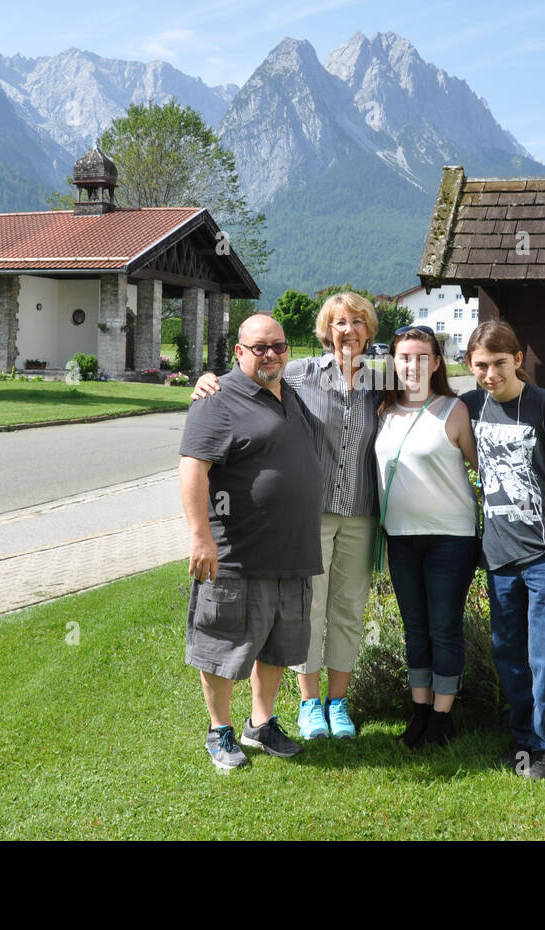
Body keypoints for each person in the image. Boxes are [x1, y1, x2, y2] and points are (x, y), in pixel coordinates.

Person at [192, 292, 381, 740]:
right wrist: (205, 380)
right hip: (309, 517)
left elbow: (430, 386)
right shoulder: (300, 373)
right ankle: (309, 703)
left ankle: (339, 703)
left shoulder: (383, 381)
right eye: (339, 322)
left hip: (361, 511)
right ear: (325, 330)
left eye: (357, 322)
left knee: (349, 609)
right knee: (308, 609)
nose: (348, 330)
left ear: (370, 331)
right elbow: (248, 376)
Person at [179, 314, 324, 771]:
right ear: (239, 351)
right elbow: (193, 468)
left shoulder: (292, 394)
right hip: (237, 553)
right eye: (258, 347)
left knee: (279, 645)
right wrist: (201, 536)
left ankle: (260, 724)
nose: (270, 355)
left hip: (292, 551)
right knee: (223, 643)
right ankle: (218, 729)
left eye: (278, 346)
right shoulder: (217, 399)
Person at [461, 320, 545, 780]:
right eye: (480, 366)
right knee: (508, 652)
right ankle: (523, 739)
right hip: (498, 558)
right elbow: (418, 406)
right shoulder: (471, 406)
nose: (490, 374)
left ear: (516, 359)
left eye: (497, 363)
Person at [375, 325, 479, 748]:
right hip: (400, 536)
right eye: (404, 357)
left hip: (449, 538)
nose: (412, 365)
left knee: (444, 627)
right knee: (414, 628)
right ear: (393, 363)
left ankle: (442, 717)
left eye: (422, 357)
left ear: (436, 363)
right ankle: (419, 710)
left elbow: (483, 468)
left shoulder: (453, 410)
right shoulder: (383, 409)